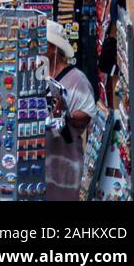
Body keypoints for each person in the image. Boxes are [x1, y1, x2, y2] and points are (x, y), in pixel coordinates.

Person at [45, 20, 96, 201]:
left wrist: (65, 115)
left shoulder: (77, 79)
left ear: (54, 49)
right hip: (42, 162)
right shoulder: (38, 74)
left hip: (65, 161)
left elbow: (88, 114)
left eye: (45, 43)